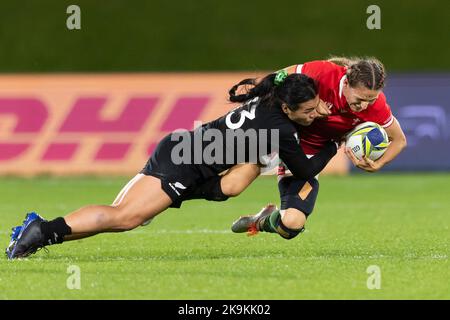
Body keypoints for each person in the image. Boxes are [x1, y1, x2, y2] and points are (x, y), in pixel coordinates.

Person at [6, 72, 338, 259]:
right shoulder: (279, 128)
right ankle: (41, 230)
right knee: (126, 217)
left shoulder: (269, 101)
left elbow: (280, 99)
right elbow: (307, 172)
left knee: (230, 188)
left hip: (191, 155)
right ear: (286, 106)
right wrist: (335, 144)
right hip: (184, 160)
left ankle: (41, 232)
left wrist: (313, 115)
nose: (314, 115)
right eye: (308, 111)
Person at [228, 57, 408, 239]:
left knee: (291, 226)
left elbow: (399, 140)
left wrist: (379, 164)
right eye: (360, 99)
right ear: (346, 83)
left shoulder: (376, 106)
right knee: (231, 187)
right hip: (279, 136)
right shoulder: (323, 73)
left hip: (308, 154)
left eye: (371, 99)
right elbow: (278, 77)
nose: (364, 106)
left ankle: (262, 221)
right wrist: (312, 100)